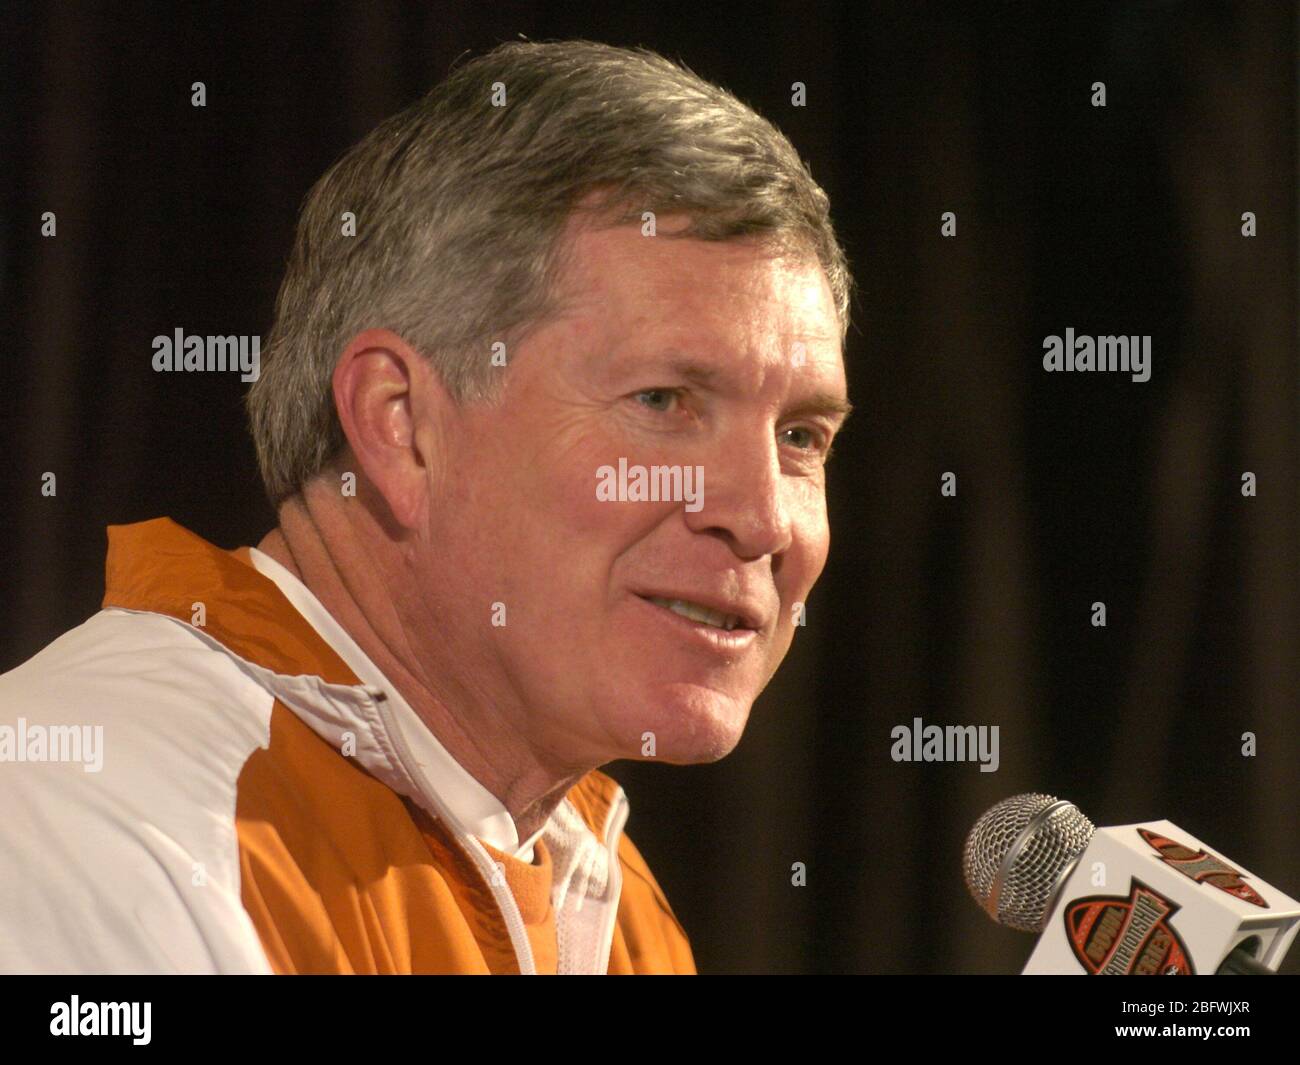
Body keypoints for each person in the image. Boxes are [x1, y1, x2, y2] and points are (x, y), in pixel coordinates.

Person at [0, 38, 852, 974]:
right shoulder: (95, 814)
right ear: (401, 425)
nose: (765, 519)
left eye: (802, 437)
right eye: (663, 402)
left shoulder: (604, 892)